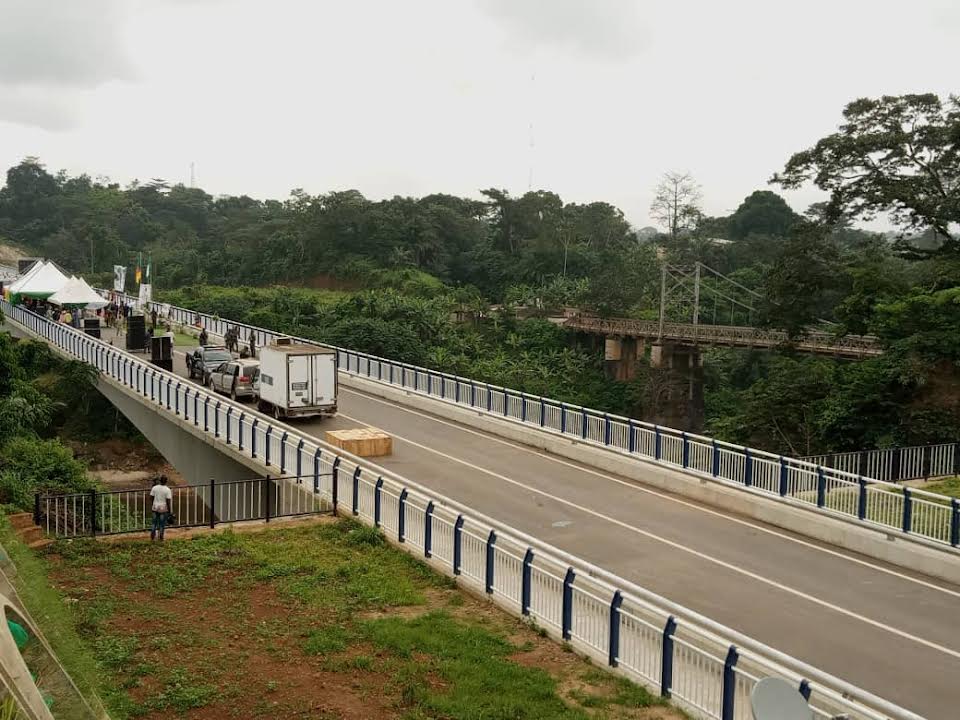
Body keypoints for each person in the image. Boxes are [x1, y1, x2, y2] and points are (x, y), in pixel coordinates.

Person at [149, 476, 173, 541]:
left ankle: (152, 537)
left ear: (160, 480)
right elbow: (168, 501)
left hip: (155, 507)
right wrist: (170, 511)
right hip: (163, 508)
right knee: (162, 524)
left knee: (154, 523)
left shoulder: (154, 488)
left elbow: (151, 497)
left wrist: (153, 504)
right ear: (166, 481)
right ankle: (161, 537)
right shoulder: (167, 490)